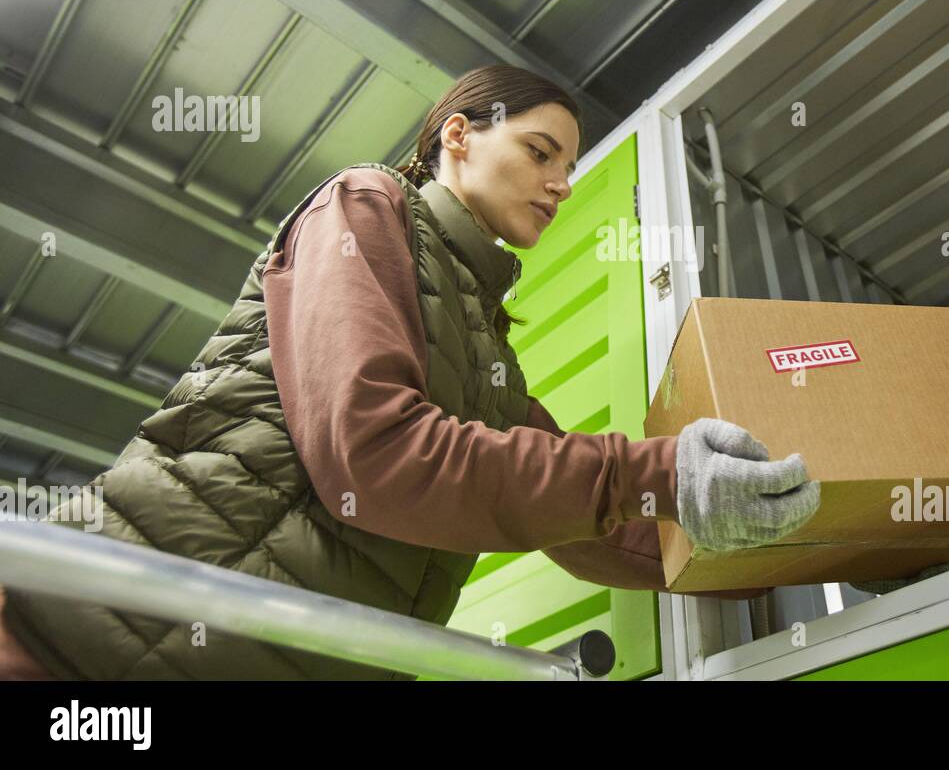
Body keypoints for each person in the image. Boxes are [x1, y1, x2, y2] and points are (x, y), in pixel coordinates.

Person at [0, 64, 820, 680]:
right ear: (457, 135)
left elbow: (600, 530)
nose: (562, 185)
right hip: (77, 643)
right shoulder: (363, 207)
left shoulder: (485, 352)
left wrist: (794, 546)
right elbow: (378, 454)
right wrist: (663, 469)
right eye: (540, 152)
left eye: (567, 168)